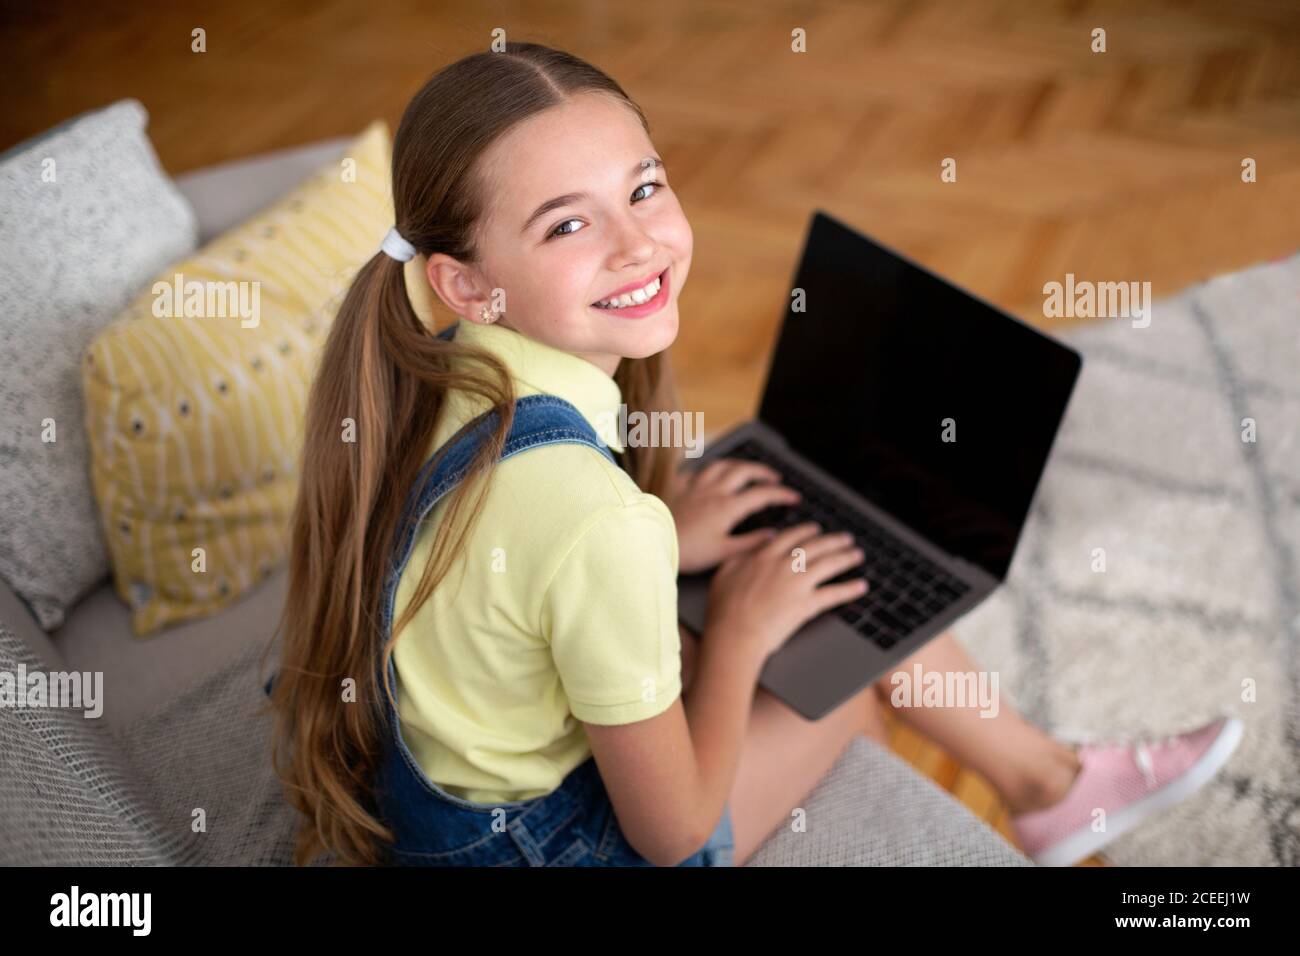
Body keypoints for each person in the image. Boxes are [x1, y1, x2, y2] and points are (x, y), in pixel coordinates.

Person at [267, 41, 1242, 868]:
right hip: (535, 840)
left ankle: (1047, 783)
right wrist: (731, 634)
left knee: (790, 561)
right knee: (846, 667)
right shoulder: (594, 521)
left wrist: (666, 547)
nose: (637, 241)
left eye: (643, 187)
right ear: (467, 283)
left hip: (448, 758)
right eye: (566, 223)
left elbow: (528, 561)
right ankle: (1051, 785)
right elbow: (671, 831)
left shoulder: (433, 370)